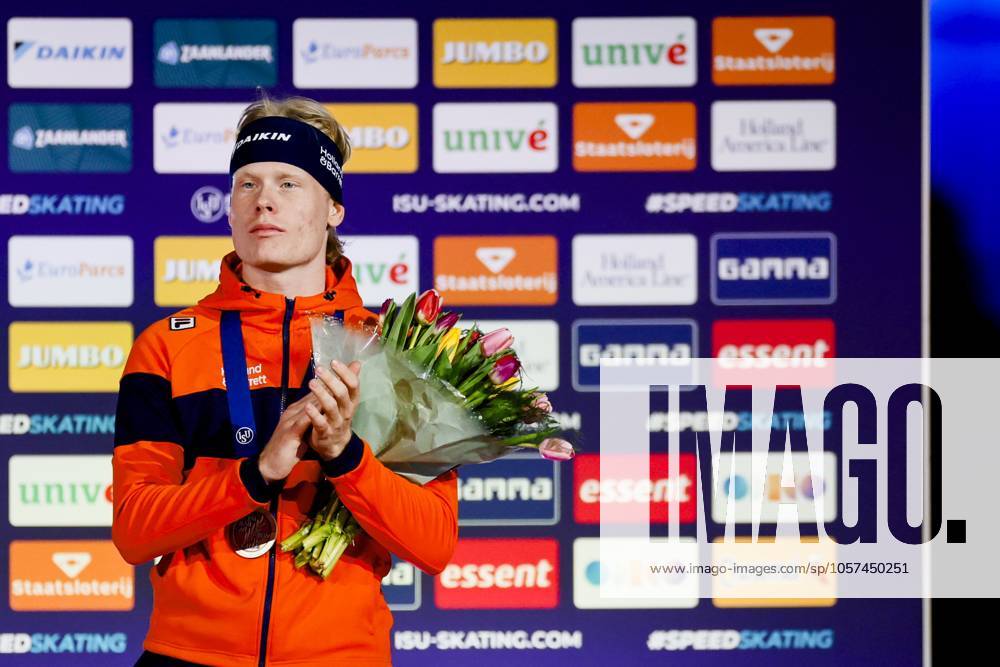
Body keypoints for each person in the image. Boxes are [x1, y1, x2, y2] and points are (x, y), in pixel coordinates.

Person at [112, 95, 458, 666]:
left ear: (333, 209)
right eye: (246, 183)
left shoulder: (392, 350)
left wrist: (346, 457)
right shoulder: (168, 344)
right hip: (190, 654)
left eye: (288, 183)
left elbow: (434, 543)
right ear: (228, 207)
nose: (263, 200)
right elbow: (134, 529)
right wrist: (255, 474)